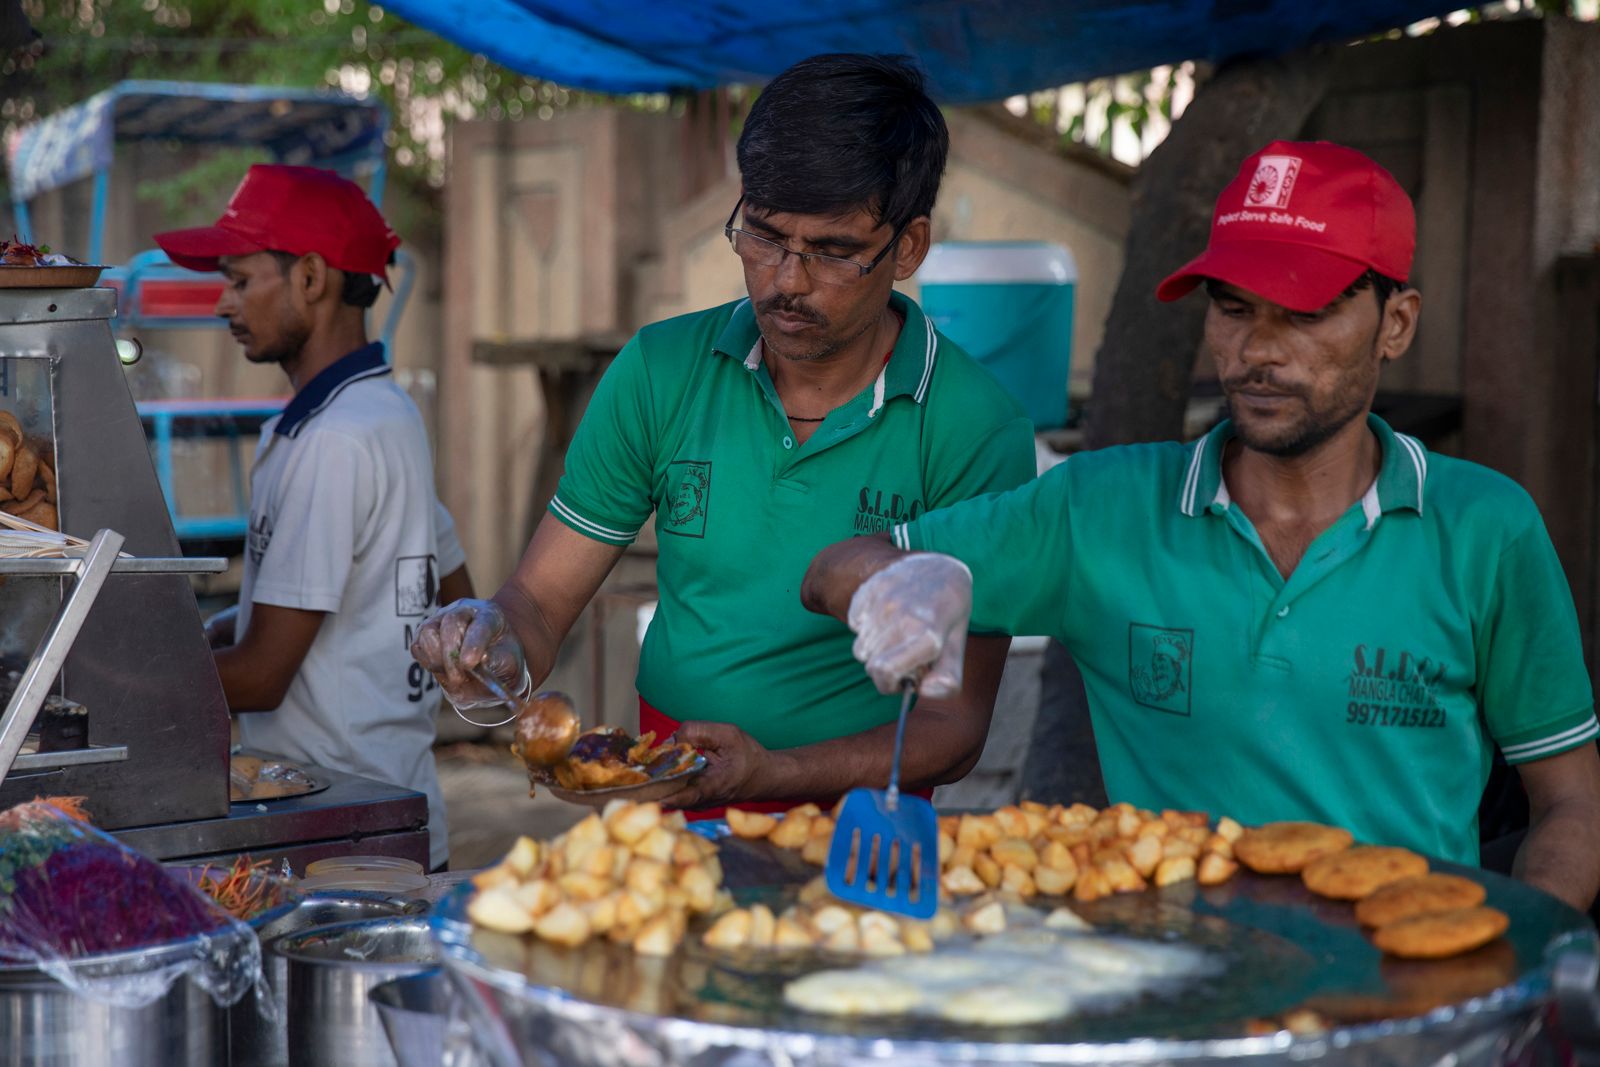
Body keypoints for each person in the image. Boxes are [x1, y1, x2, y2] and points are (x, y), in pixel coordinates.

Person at [801, 140, 1600, 912]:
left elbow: (1571, 802)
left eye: (1306, 312)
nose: (1258, 349)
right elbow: (834, 567)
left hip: (1407, 1013)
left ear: (1396, 323)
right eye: (1233, 307)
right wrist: (897, 589)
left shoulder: (1485, 530)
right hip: (1180, 994)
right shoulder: (1101, 509)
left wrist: (1520, 950)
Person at [410, 54, 1035, 813]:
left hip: (861, 838)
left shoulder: (974, 425)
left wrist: (772, 773)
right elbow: (539, 604)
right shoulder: (659, 372)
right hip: (665, 810)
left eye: (833, 251)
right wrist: (489, 642)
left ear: (907, 247)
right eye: (764, 236)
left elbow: (954, 727)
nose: (786, 280)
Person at [155, 165, 473, 870]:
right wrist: (210, 631)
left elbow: (265, 673)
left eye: (240, 280)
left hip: (344, 832)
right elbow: (451, 585)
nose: (221, 304)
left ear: (309, 277)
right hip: (391, 805)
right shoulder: (381, 413)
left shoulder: (335, 439)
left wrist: (123, 682)